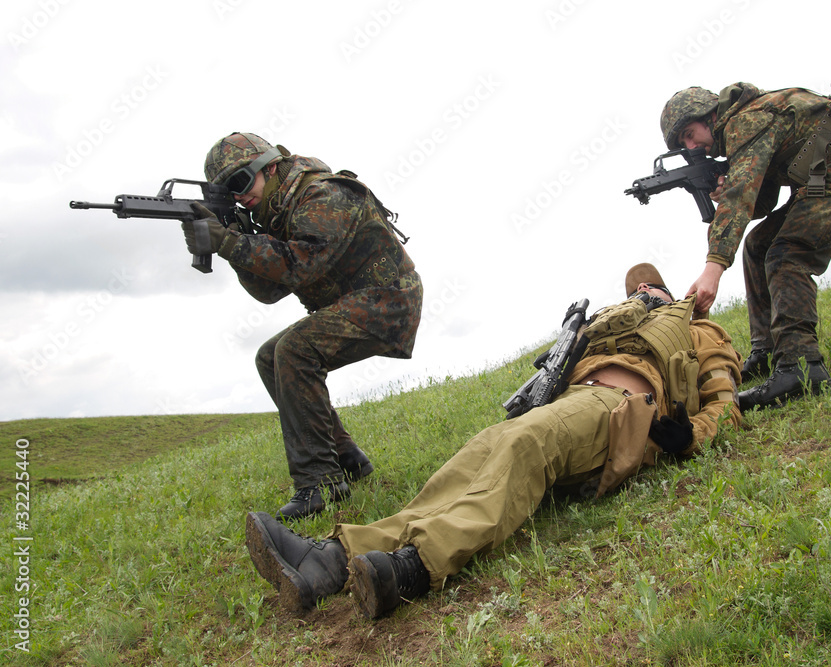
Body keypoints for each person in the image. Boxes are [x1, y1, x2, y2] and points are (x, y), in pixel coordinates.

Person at [244, 263, 742, 618]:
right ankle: (332, 560)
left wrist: (686, 437)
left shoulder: (702, 333)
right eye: (639, 288)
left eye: (653, 288)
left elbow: (724, 404)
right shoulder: (602, 330)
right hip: (571, 405)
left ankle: (416, 565)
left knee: (525, 442)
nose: (644, 292)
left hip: (621, 414)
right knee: (474, 456)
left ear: (673, 295)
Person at [183, 132, 423, 520]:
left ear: (270, 167)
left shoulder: (324, 195)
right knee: (269, 358)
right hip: (356, 303)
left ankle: (320, 483)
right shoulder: (276, 213)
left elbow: (301, 263)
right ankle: (347, 459)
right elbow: (270, 289)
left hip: (388, 299)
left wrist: (228, 242)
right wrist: (232, 241)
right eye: (228, 192)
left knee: (294, 351)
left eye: (241, 183)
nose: (239, 196)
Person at [659, 76, 831, 410]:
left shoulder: (744, 121)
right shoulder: (742, 124)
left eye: (690, 134)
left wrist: (712, 270)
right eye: (682, 142)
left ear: (710, 116)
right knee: (759, 244)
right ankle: (767, 351)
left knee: (787, 255)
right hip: (826, 174)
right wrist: (726, 192)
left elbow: (740, 199)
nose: (690, 146)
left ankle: (800, 367)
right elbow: (760, 201)